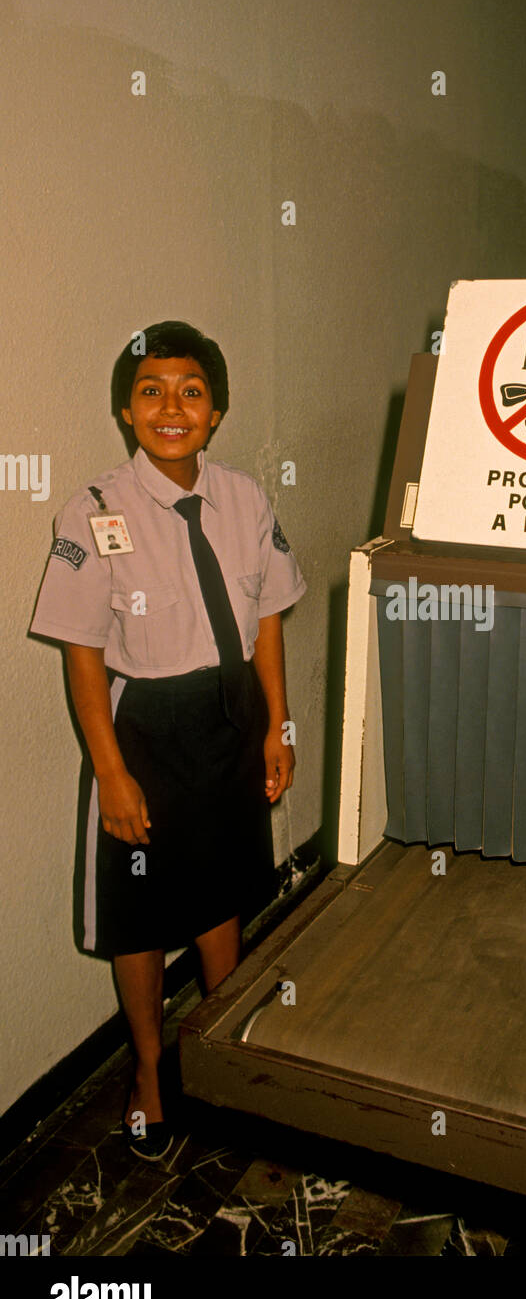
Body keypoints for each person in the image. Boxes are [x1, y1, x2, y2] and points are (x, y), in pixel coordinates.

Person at [30, 321, 306, 1160]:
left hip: (231, 712)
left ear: (215, 412)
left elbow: (267, 620)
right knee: (142, 914)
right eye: (152, 391)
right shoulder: (95, 510)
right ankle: (151, 1070)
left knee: (222, 889)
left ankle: (222, 1051)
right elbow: (82, 661)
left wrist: (275, 726)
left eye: (191, 391)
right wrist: (112, 775)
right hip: (144, 725)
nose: (171, 407)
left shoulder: (245, 497)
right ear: (126, 409)